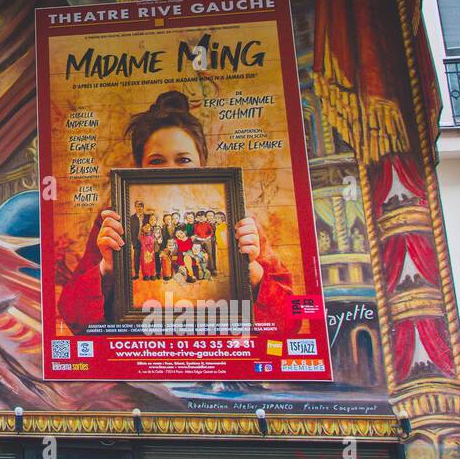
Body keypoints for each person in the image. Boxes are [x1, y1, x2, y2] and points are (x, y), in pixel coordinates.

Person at [57, 89, 297, 332]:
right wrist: (107, 268)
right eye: (157, 161)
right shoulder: (116, 221)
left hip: (218, 358)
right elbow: (74, 317)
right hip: (142, 357)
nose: (170, 170)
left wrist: (251, 270)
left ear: (202, 164)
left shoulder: (236, 218)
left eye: (183, 160)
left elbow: (290, 322)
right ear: (139, 167)